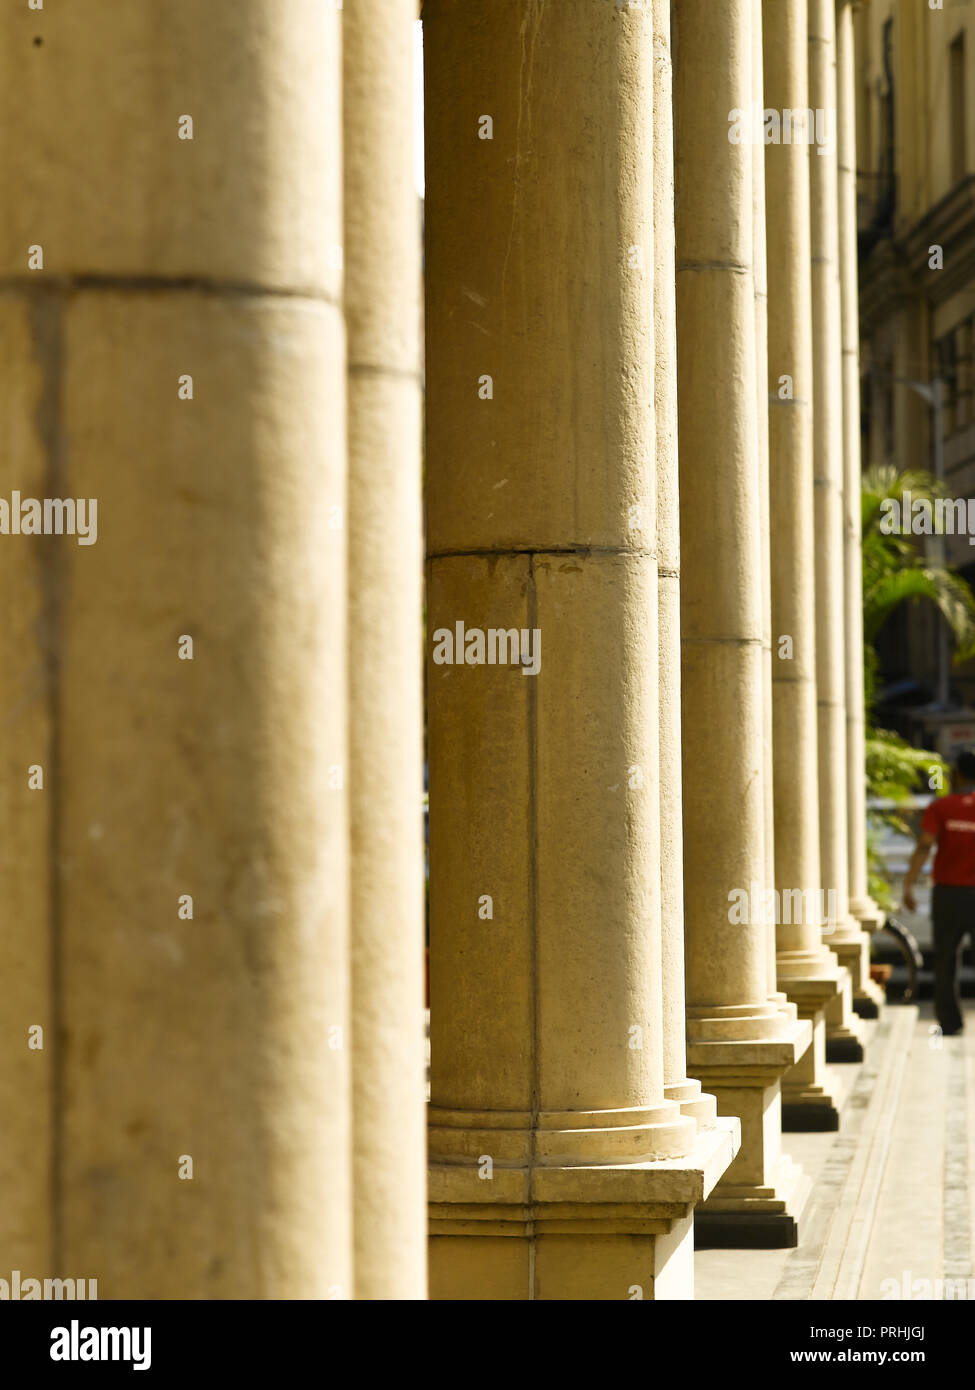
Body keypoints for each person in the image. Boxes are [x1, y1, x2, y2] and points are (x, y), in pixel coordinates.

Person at [903, 749, 975, 1036]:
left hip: (948, 895)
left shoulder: (941, 807)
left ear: (956, 774)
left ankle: (949, 1021)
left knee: (945, 959)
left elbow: (924, 845)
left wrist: (909, 883)